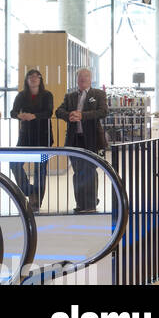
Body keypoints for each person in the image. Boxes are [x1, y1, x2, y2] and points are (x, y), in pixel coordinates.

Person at [55, 68, 107, 214]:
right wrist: (69, 115)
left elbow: (103, 112)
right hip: (74, 140)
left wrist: (82, 115)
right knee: (78, 172)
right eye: (80, 77)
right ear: (77, 80)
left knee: (90, 169)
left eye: (86, 76)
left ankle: (90, 204)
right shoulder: (70, 96)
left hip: (92, 139)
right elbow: (58, 111)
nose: (83, 79)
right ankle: (80, 203)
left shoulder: (98, 94)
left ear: (91, 79)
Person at [10, 68, 53, 210]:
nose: (34, 79)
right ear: (27, 80)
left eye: (36, 76)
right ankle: (30, 191)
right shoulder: (21, 96)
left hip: (43, 137)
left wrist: (33, 116)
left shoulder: (47, 95)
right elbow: (13, 112)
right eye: (31, 77)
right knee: (14, 164)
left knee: (39, 170)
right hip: (25, 137)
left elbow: (48, 112)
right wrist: (19, 116)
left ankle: (36, 203)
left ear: (40, 80)